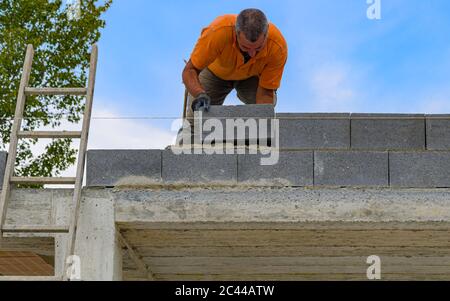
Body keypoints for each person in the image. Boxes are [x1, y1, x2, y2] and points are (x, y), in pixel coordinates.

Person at [182, 8, 288, 118]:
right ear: (236, 33)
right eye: (245, 47)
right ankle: (190, 129)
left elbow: (266, 92)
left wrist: (263, 122)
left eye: (258, 48)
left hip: (250, 77)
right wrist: (199, 94)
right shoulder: (217, 32)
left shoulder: (278, 47)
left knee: (265, 110)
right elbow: (189, 70)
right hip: (214, 73)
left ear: (266, 35)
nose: (252, 54)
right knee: (198, 116)